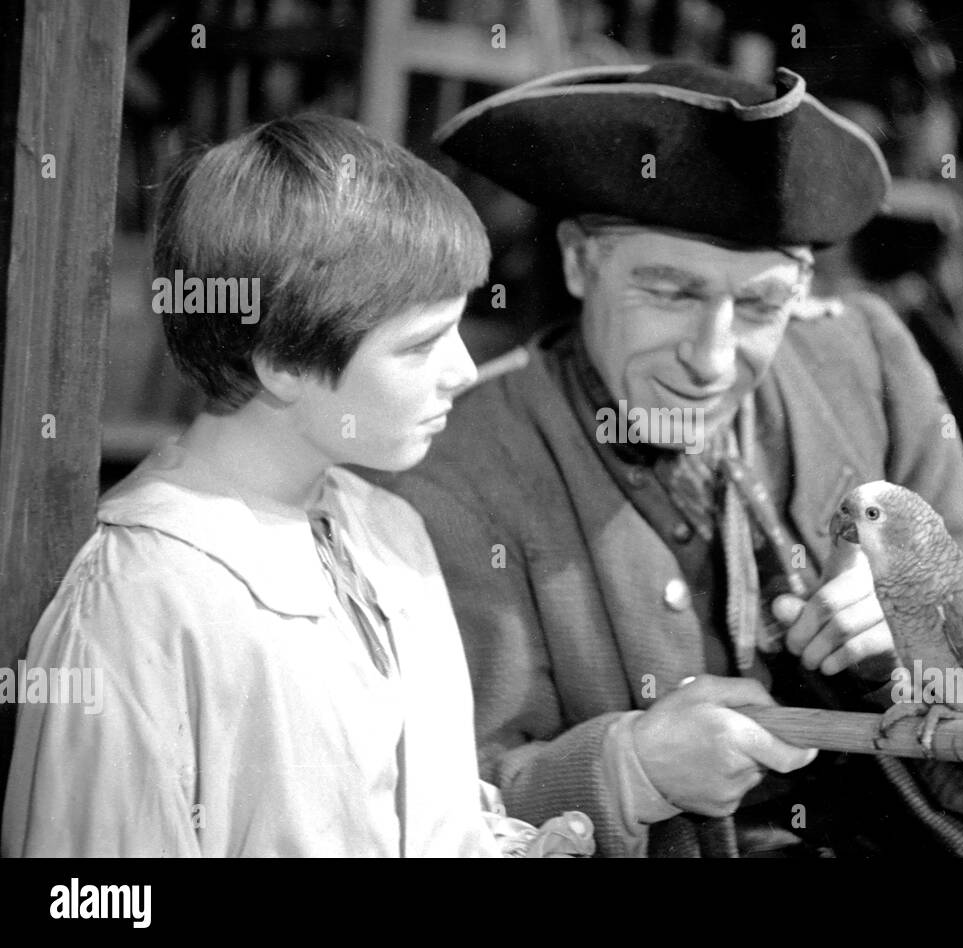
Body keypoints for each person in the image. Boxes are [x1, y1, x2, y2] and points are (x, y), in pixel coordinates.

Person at [387, 63, 963, 858]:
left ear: (803, 286)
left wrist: (945, 624)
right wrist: (625, 768)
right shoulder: (461, 469)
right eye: (672, 292)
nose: (712, 360)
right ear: (580, 264)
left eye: (758, 304)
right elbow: (430, 800)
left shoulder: (867, 362)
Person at [1, 114, 591, 858]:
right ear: (280, 357)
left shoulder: (390, 532)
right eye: (418, 345)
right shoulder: (144, 599)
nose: (465, 370)